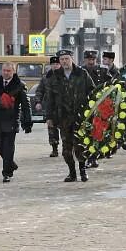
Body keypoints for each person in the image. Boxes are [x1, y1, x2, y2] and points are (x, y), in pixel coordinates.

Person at [46, 49, 95, 182]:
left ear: (72, 59)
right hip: (63, 117)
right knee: (66, 150)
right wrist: (49, 117)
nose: (64, 61)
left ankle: (83, 171)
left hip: (80, 116)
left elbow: (92, 92)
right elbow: (49, 98)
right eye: (62, 60)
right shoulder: (54, 76)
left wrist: (91, 112)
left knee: (80, 146)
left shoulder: (82, 74)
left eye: (66, 59)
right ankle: (72, 173)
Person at [0, 61, 32, 182]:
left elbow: (26, 106)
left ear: (13, 71)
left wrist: (27, 122)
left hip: (12, 120)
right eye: (4, 70)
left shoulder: (19, 85)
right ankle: (11, 163)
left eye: (8, 71)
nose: (6, 73)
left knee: (8, 148)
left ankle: (6, 173)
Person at [36, 56, 60, 157]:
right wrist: (38, 102)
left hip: (63, 106)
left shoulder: (65, 75)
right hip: (50, 106)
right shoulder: (46, 77)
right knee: (51, 128)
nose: (55, 66)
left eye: (57, 64)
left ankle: (69, 147)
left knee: (66, 128)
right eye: (53, 64)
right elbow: (40, 90)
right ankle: (54, 148)